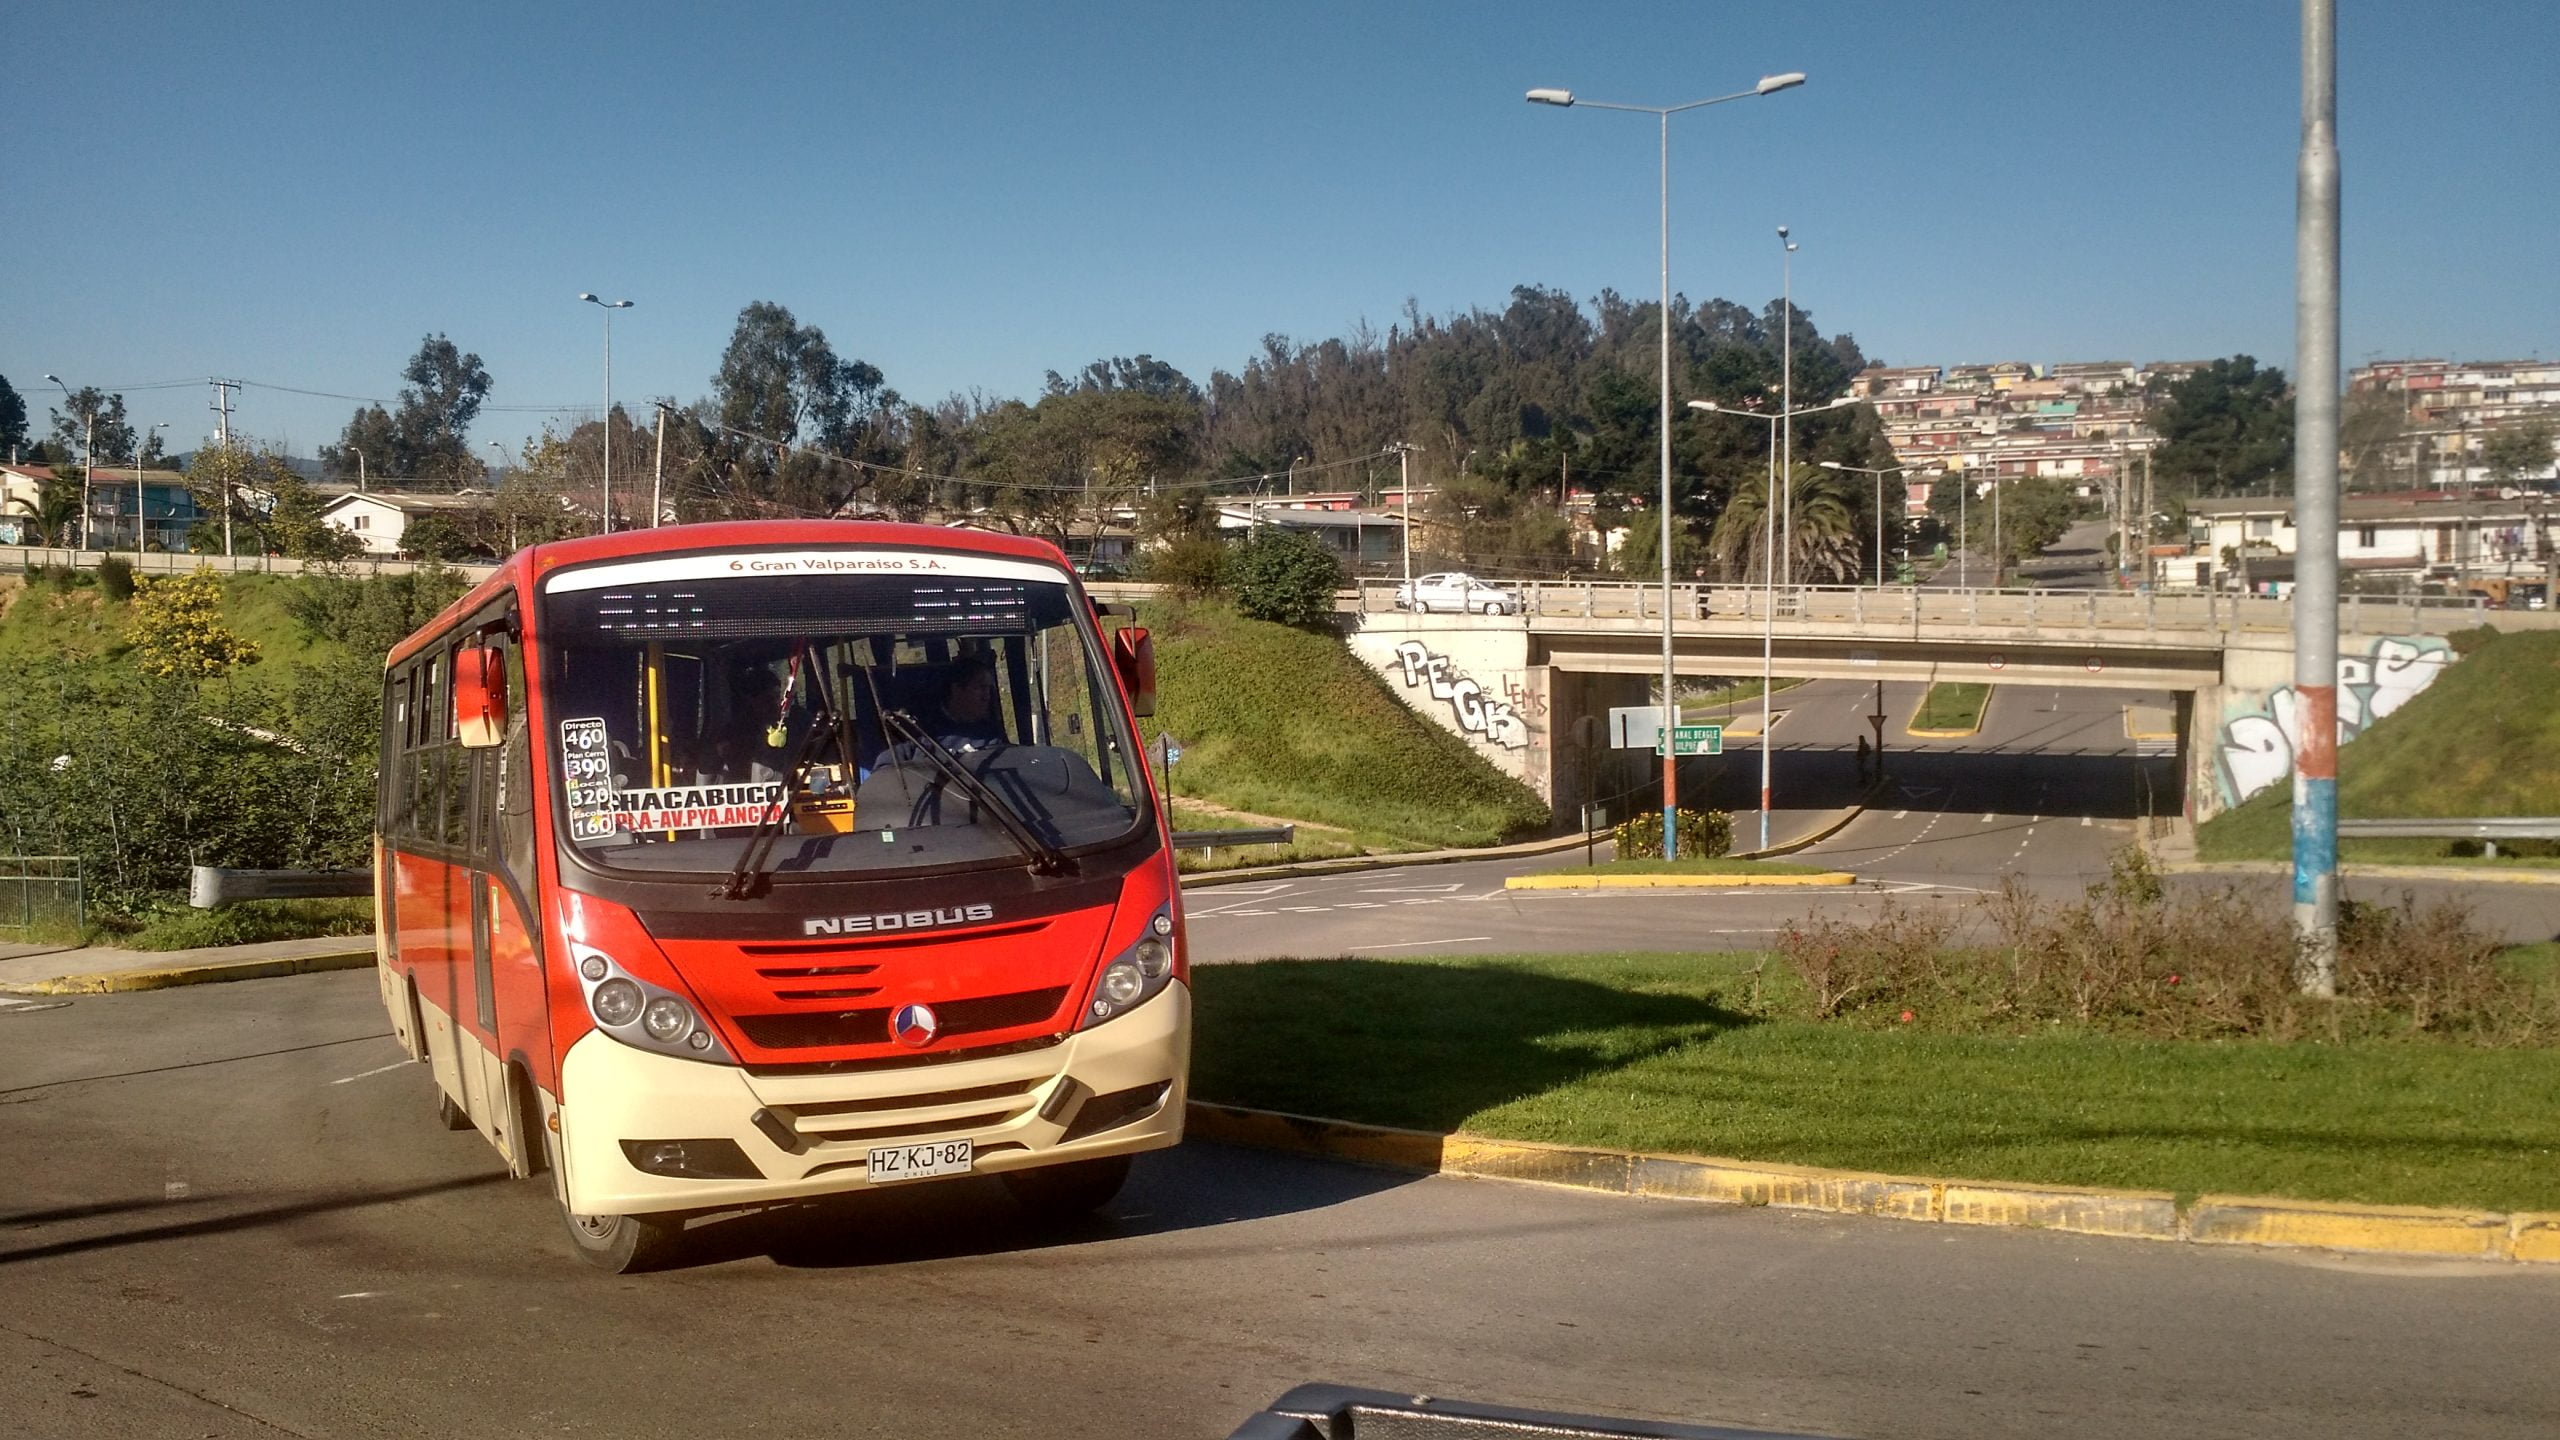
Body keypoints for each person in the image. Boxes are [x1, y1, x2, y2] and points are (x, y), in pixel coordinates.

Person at [700, 661, 788, 782]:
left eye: (777, 696)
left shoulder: (796, 722)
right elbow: (716, 766)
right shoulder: (734, 732)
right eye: (767, 699)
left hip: (793, 788)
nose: (774, 704)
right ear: (750, 700)